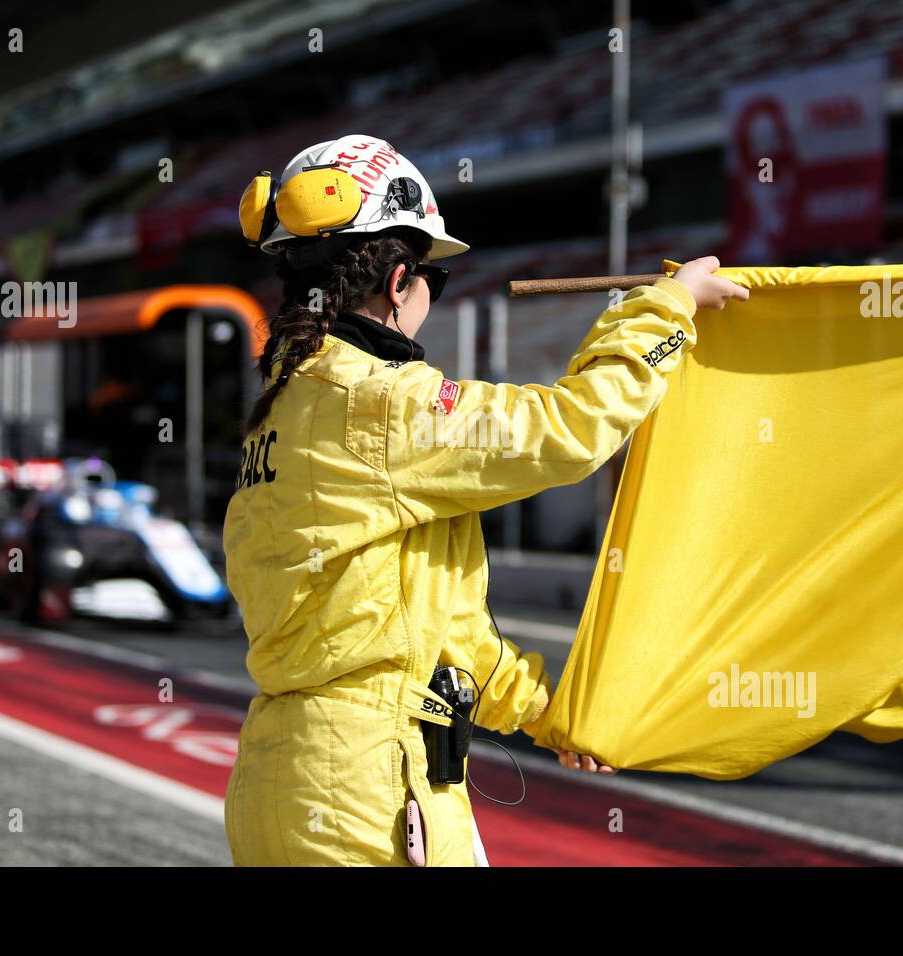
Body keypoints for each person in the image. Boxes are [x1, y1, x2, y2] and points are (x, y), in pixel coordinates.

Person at [222, 134, 749, 867]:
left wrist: (547, 714)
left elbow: (434, 629)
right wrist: (667, 310)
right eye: (433, 273)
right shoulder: (380, 404)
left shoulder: (284, 406)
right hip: (371, 790)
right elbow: (568, 432)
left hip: (294, 778)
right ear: (401, 279)